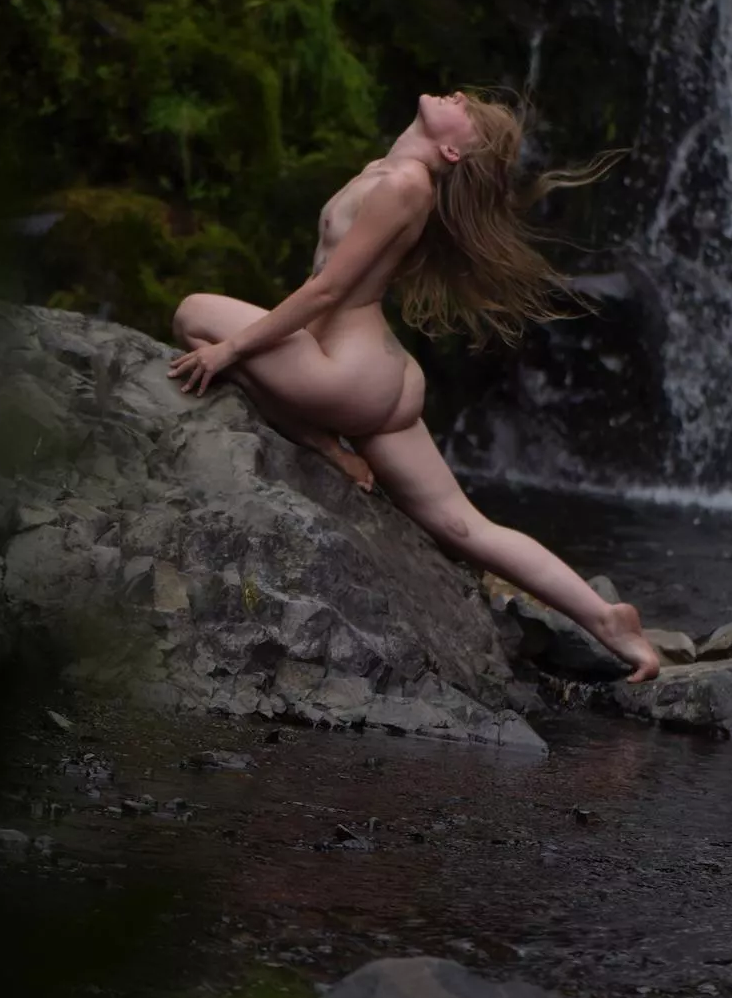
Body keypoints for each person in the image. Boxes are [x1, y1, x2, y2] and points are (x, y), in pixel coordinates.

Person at [168, 90, 660, 683]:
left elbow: (325, 291)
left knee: (195, 315)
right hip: (374, 371)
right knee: (464, 525)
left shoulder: (405, 184)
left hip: (350, 374)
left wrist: (234, 347)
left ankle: (326, 447)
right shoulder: (393, 172)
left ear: (451, 148)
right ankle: (608, 620)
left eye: (471, 112)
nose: (461, 96)